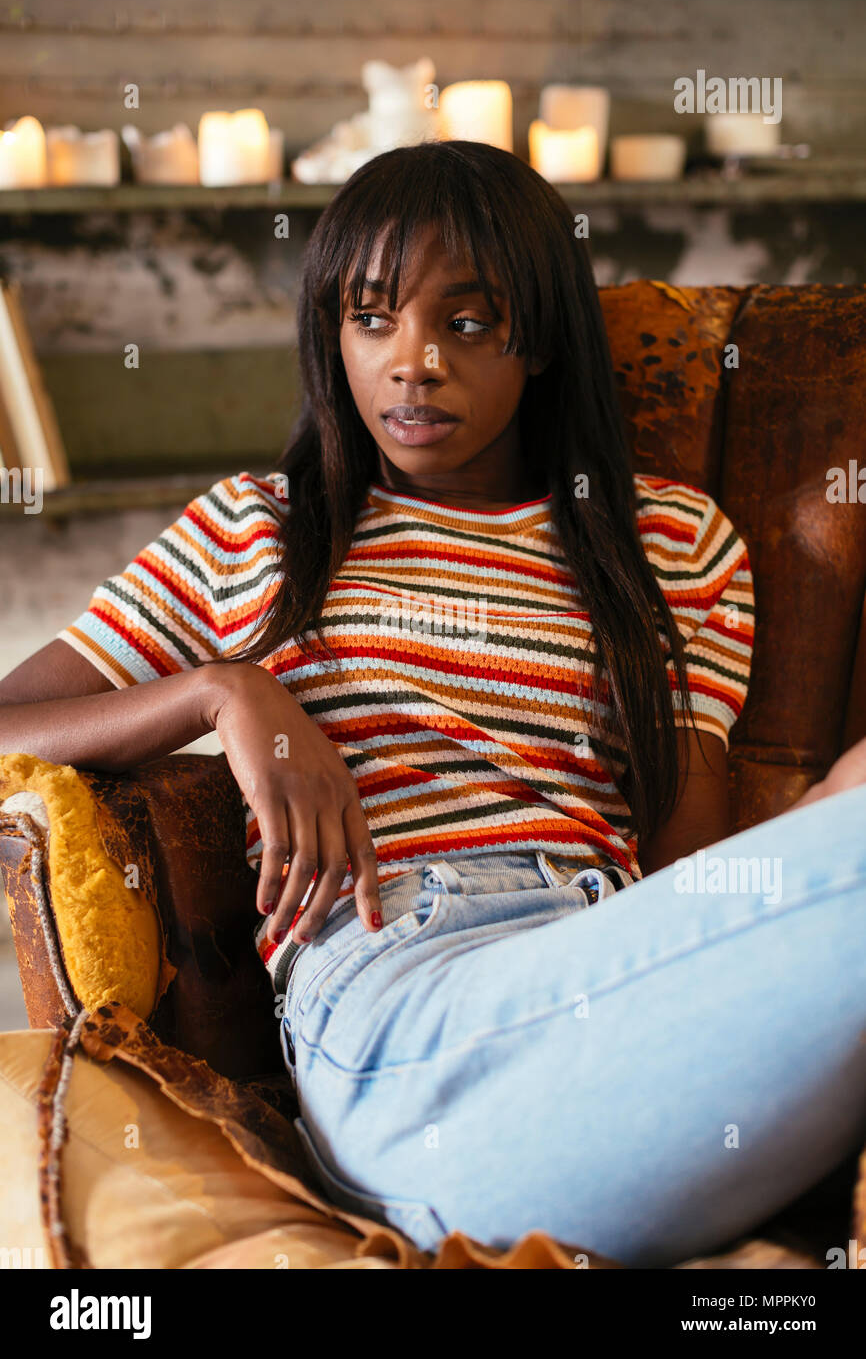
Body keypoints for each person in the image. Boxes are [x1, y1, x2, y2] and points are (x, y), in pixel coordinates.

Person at [1, 140, 864, 1267]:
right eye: (372, 318)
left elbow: (682, 874)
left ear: (538, 341)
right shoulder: (255, 528)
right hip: (400, 1023)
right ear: (332, 335)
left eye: (465, 323)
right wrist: (226, 691)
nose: (412, 363)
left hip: (611, 993)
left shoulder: (671, 542)